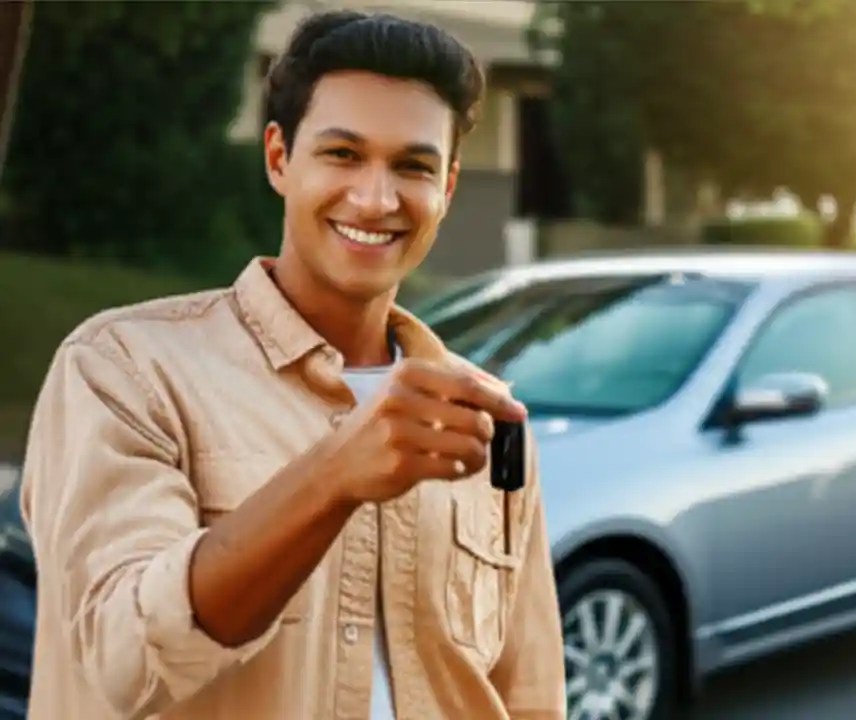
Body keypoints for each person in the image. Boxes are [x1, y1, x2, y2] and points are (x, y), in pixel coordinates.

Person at [19, 10, 566, 719]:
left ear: (449, 188)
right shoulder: (122, 370)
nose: (377, 197)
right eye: (343, 154)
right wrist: (335, 473)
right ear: (278, 157)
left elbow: (529, 698)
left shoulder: (488, 423)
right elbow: (125, 664)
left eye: (413, 166)